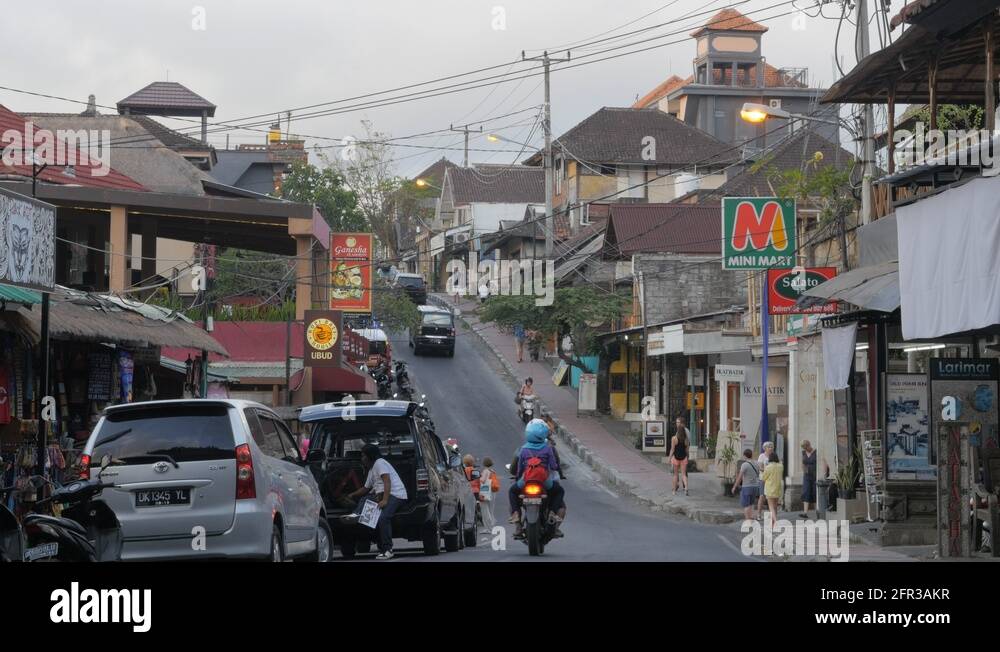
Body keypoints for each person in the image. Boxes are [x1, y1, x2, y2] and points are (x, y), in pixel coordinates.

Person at [342, 443, 408, 560]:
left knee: (384, 518)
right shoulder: (372, 469)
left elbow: (387, 481)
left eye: (363, 456)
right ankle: (356, 514)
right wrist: (352, 495)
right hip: (382, 494)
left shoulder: (380, 463)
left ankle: (388, 550)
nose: (362, 459)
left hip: (396, 494)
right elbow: (366, 488)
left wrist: (385, 500)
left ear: (370, 456)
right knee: (365, 500)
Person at [508, 419, 566, 539]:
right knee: (560, 491)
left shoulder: (523, 449)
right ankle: (552, 513)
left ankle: (516, 518)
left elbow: (519, 469)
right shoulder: (547, 448)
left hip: (526, 480)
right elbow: (554, 466)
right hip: (544, 481)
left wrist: (519, 478)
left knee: (512, 491)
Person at [732, 449, 761, 521]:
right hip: (755, 486)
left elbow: (740, 477)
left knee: (746, 505)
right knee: (751, 504)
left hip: (747, 487)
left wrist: (735, 486)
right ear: (751, 455)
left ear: (745, 456)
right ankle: (751, 518)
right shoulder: (757, 463)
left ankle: (748, 520)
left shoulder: (744, 465)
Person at [668, 417, 690, 496]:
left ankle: (673, 491)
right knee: (684, 474)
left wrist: (669, 458)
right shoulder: (686, 439)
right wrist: (687, 456)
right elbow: (687, 450)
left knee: (675, 475)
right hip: (683, 458)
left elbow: (672, 449)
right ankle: (686, 488)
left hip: (676, 458)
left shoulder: (674, 438)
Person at [540, 410, 566, 479]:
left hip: (547, 441)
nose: (543, 418)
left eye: (544, 417)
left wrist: (551, 439)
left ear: (547, 418)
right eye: (542, 417)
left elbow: (551, 432)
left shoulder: (549, 424)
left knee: (556, 458)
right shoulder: (539, 424)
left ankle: (561, 474)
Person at [762, 452, 784, 528]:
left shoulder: (768, 467)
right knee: (775, 507)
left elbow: (763, 478)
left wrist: (764, 467)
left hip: (769, 489)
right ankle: (772, 523)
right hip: (778, 488)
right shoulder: (780, 466)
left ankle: (775, 521)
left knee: (771, 507)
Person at [479, 457, 499, 531]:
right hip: (493, 491)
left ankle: (489, 526)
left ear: (484, 463)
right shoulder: (492, 471)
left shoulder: (485, 471)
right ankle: (491, 525)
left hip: (486, 491)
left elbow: (483, 480)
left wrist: (479, 478)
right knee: (491, 509)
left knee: (484, 508)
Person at [756, 441, 775, 520]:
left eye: (771, 447)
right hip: (763, 479)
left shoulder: (773, 456)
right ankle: (759, 514)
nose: (771, 448)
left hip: (772, 479)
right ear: (765, 448)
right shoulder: (762, 456)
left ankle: (770, 515)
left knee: (771, 497)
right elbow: (760, 467)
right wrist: (768, 471)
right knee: (762, 496)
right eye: (769, 447)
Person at [800, 440, 817, 519]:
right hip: (806, 476)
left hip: (815, 475)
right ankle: (805, 512)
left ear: (809, 444)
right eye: (805, 448)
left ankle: (817, 512)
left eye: (807, 447)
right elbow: (803, 463)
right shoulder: (803, 453)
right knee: (806, 491)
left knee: (814, 492)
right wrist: (804, 470)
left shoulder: (816, 452)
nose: (806, 449)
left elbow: (822, 461)